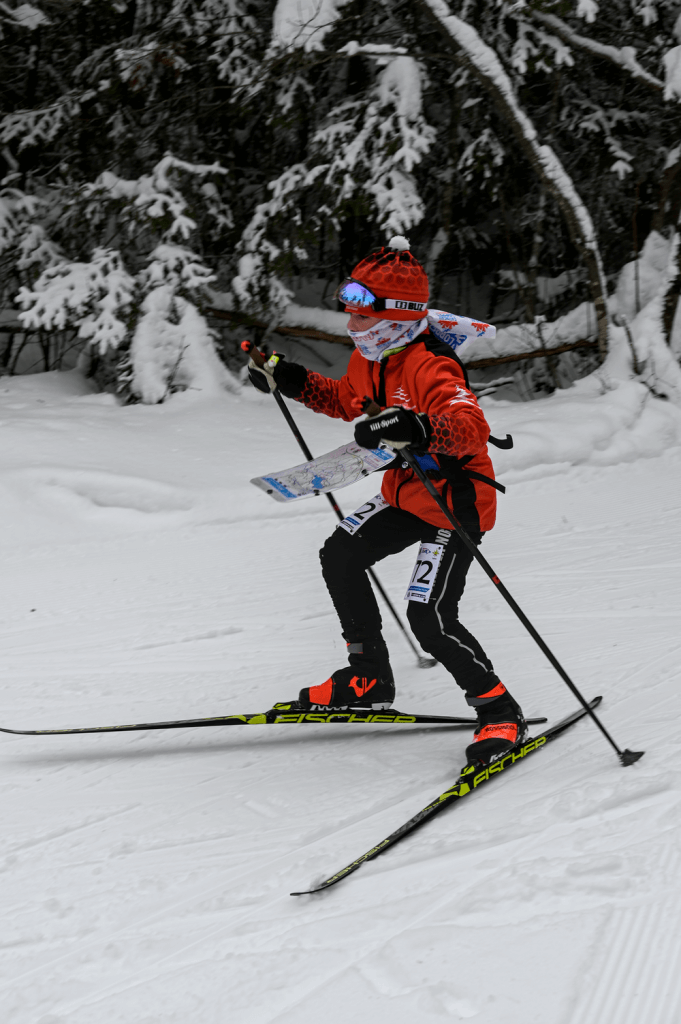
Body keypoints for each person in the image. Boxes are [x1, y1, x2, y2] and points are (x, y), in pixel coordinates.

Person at [248, 237, 526, 766]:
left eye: (361, 315)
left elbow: (469, 427)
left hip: (454, 504)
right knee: (341, 554)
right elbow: (341, 399)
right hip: (402, 494)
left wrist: (421, 426)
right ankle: (367, 675)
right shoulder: (370, 359)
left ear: (395, 317)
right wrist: (288, 376)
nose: (351, 326)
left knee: (429, 615)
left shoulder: (430, 366)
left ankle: (498, 711)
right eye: (349, 314)